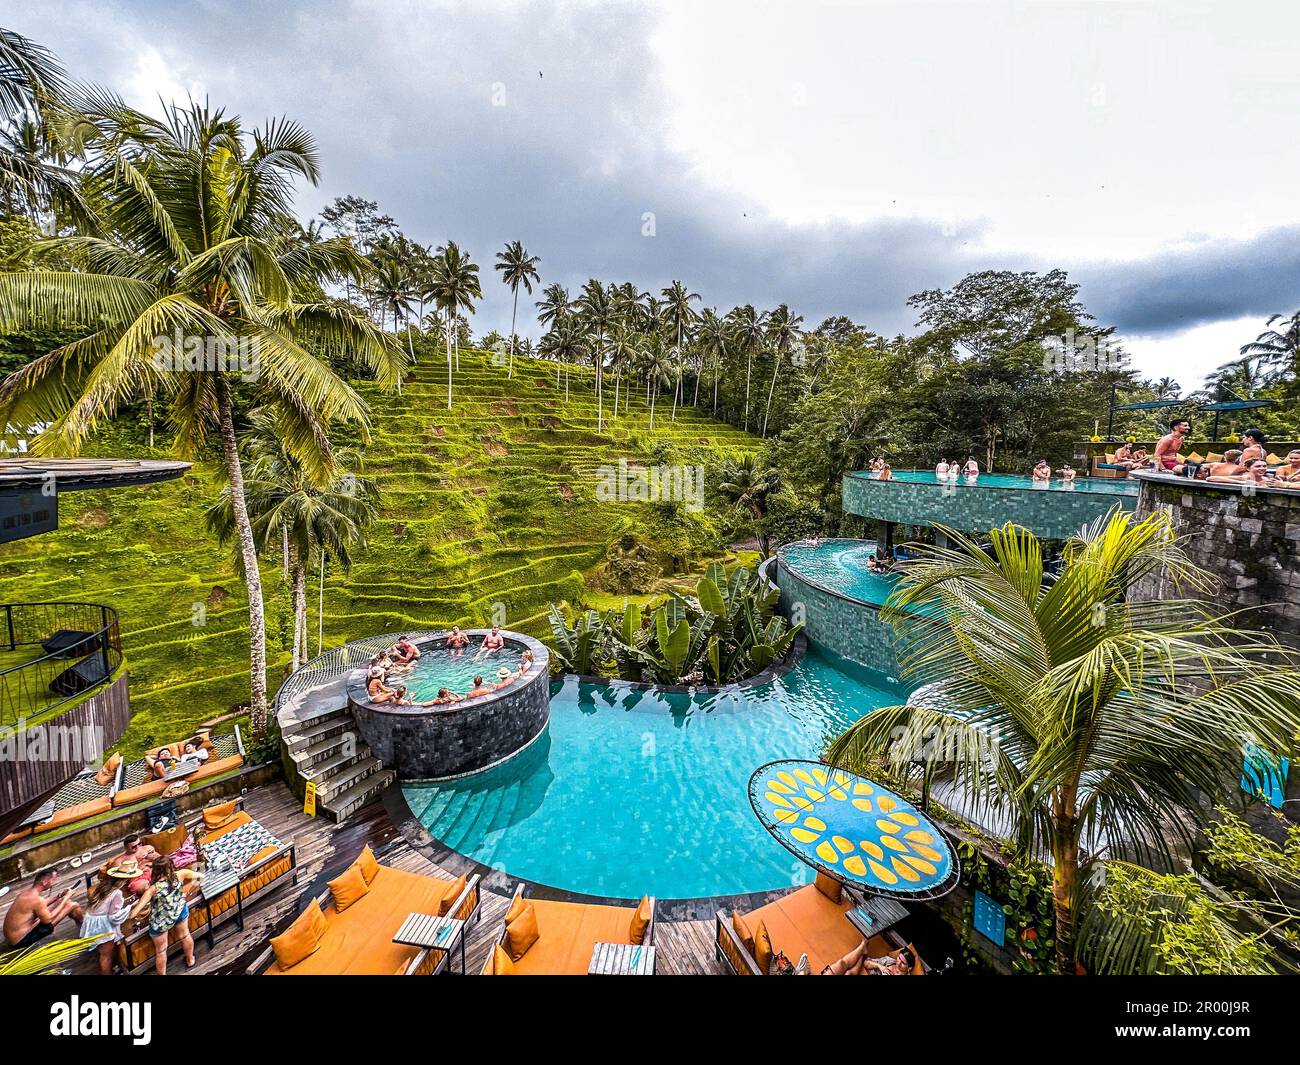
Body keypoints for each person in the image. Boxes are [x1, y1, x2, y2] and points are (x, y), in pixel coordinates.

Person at [130, 857, 199, 975]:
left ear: (155, 870)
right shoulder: (180, 874)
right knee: (185, 935)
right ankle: (190, 959)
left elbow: (133, 914)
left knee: (161, 951)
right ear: (170, 866)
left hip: (161, 921)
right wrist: (186, 891)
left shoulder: (153, 889)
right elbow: (199, 876)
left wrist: (133, 908)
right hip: (179, 911)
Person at [2, 867, 84, 949]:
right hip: (21, 941)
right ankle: (84, 926)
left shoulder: (27, 892)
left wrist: (59, 896)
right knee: (72, 905)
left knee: (64, 902)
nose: (53, 883)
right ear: (44, 882)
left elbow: (41, 905)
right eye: (53, 880)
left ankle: (81, 923)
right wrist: (66, 897)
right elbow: (49, 920)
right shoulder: (37, 900)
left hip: (15, 934)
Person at [82, 878, 133, 975]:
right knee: (106, 955)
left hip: (92, 920)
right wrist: (128, 909)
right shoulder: (117, 892)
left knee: (103, 950)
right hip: (102, 925)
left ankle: (113, 967)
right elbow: (113, 917)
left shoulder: (104, 885)